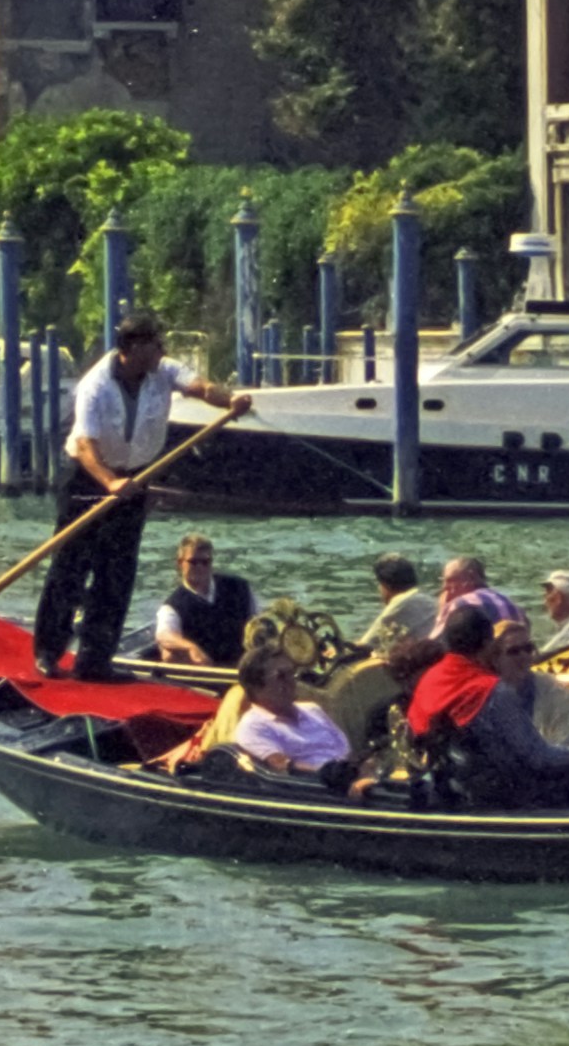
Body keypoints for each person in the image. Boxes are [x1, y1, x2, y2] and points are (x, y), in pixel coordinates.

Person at [35, 313, 234, 683]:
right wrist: (109, 482)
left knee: (117, 572)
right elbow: (84, 444)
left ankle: (95, 659)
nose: (163, 350)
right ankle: (48, 651)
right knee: (71, 567)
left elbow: (201, 387)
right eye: (155, 344)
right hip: (88, 475)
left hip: (134, 476)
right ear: (133, 348)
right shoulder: (96, 385)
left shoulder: (164, 371)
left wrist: (230, 401)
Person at [401, 608, 569, 812]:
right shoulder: (492, 691)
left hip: (454, 787)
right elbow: (537, 756)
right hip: (505, 795)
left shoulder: (432, 680)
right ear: (489, 643)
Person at [152, 644, 352, 785]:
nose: (291, 681)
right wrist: (329, 774)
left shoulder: (312, 710)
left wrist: (362, 771)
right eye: (281, 676)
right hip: (314, 787)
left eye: (291, 673)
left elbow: (346, 750)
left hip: (348, 780)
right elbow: (279, 764)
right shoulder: (253, 726)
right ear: (256, 686)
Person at [147, 537, 257, 669]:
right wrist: (191, 647)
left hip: (244, 668)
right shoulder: (172, 606)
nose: (200, 567)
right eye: (193, 562)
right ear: (180, 563)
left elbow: (259, 622)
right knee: (169, 654)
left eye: (205, 562)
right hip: (206, 672)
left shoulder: (240, 587)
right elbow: (164, 635)